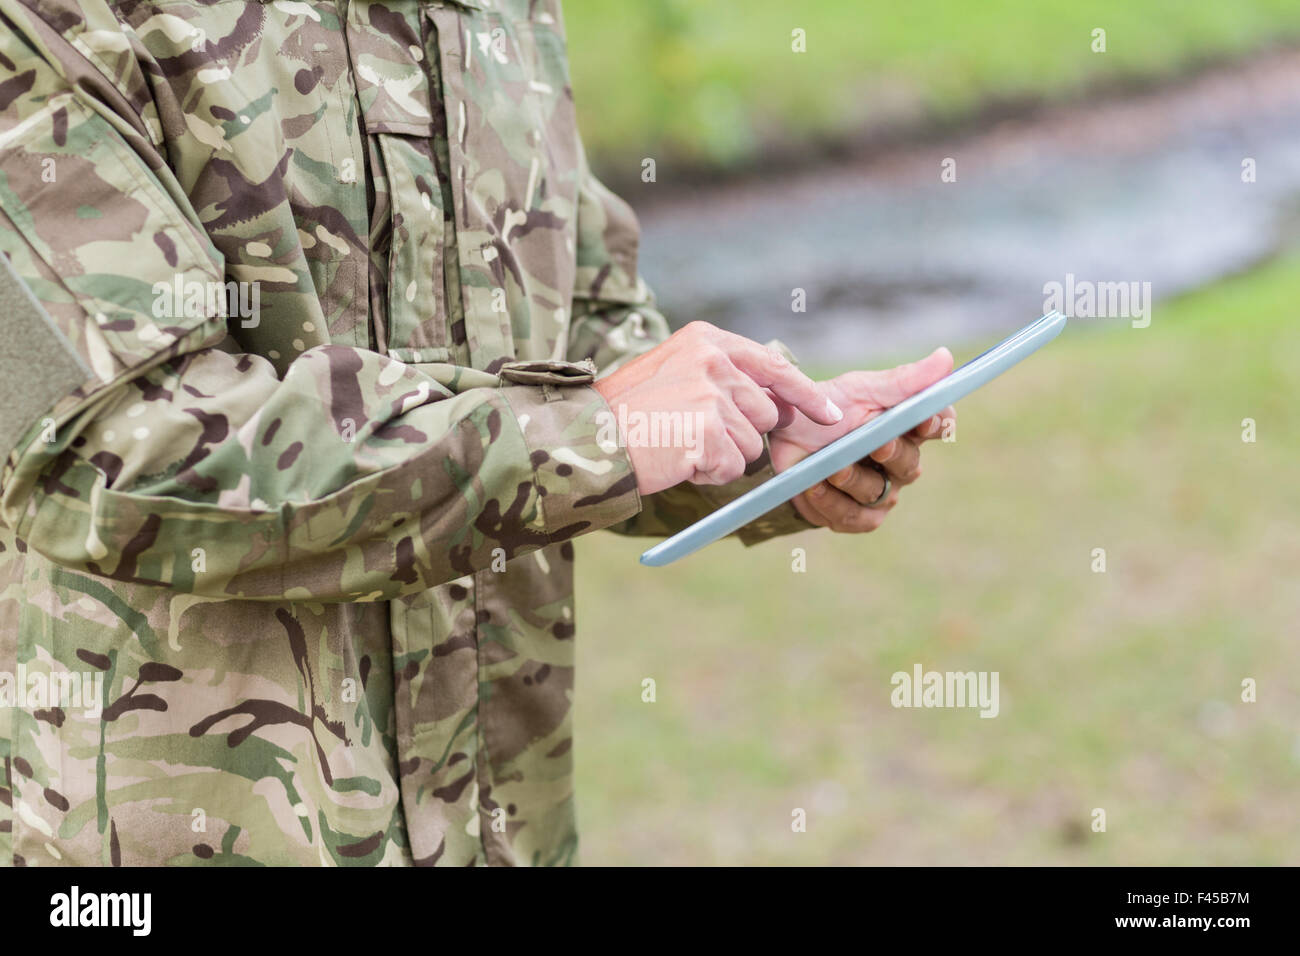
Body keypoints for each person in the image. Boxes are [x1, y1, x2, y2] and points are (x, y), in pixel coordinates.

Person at [0, 0, 953, 866]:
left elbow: (583, 330)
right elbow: (107, 447)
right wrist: (591, 431)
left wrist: (768, 432)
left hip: (506, 824)